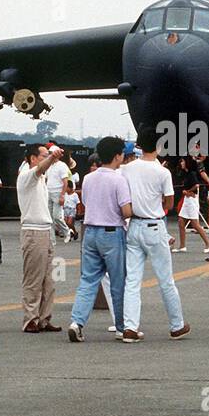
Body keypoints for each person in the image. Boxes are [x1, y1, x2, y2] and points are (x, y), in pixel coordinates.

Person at [120, 129, 190, 341]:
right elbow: (169, 202)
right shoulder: (162, 172)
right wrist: (157, 204)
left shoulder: (127, 168)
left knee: (132, 280)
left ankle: (130, 327)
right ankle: (176, 325)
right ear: (159, 146)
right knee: (165, 279)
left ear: (139, 145)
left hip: (134, 225)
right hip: (154, 225)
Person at [66, 137, 132, 342]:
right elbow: (126, 211)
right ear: (116, 156)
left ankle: (77, 322)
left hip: (90, 231)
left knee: (88, 280)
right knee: (117, 282)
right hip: (112, 232)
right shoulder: (118, 179)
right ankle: (121, 327)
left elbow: (85, 202)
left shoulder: (89, 178)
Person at [17, 143, 65, 334]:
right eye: (43, 155)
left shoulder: (42, 178)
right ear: (33, 158)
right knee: (33, 279)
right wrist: (53, 157)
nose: (47, 158)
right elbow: (41, 168)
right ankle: (30, 319)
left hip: (45, 230)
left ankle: (44, 318)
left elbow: (67, 164)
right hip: (33, 230)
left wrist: (56, 158)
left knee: (49, 280)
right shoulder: (27, 176)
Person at [45, 148, 75, 241]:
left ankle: (67, 231)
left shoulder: (62, 165)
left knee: (56, 216)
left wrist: (62, 195)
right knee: (49, 219)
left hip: (58, 193)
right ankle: (51, 240)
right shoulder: (49, 165)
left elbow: (65, 181)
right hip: (49, 192)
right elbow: (46, 179)